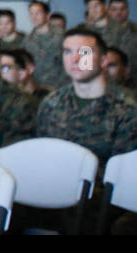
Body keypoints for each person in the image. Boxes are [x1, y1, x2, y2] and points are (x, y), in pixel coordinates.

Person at [37, 28, 137, 168]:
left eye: (84, 52)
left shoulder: (126, 110)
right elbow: (42, 157)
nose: (75, 59)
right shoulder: (51, 103)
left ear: (103, 60)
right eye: (68, 52)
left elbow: (123, 173)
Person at [23, 0, 67, 91]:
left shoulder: (62, 36)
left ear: (47, 15)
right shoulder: (27, 41)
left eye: (38, 13)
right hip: (36, 90)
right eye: (31, 14)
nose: (34, 17)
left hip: (60, 89)